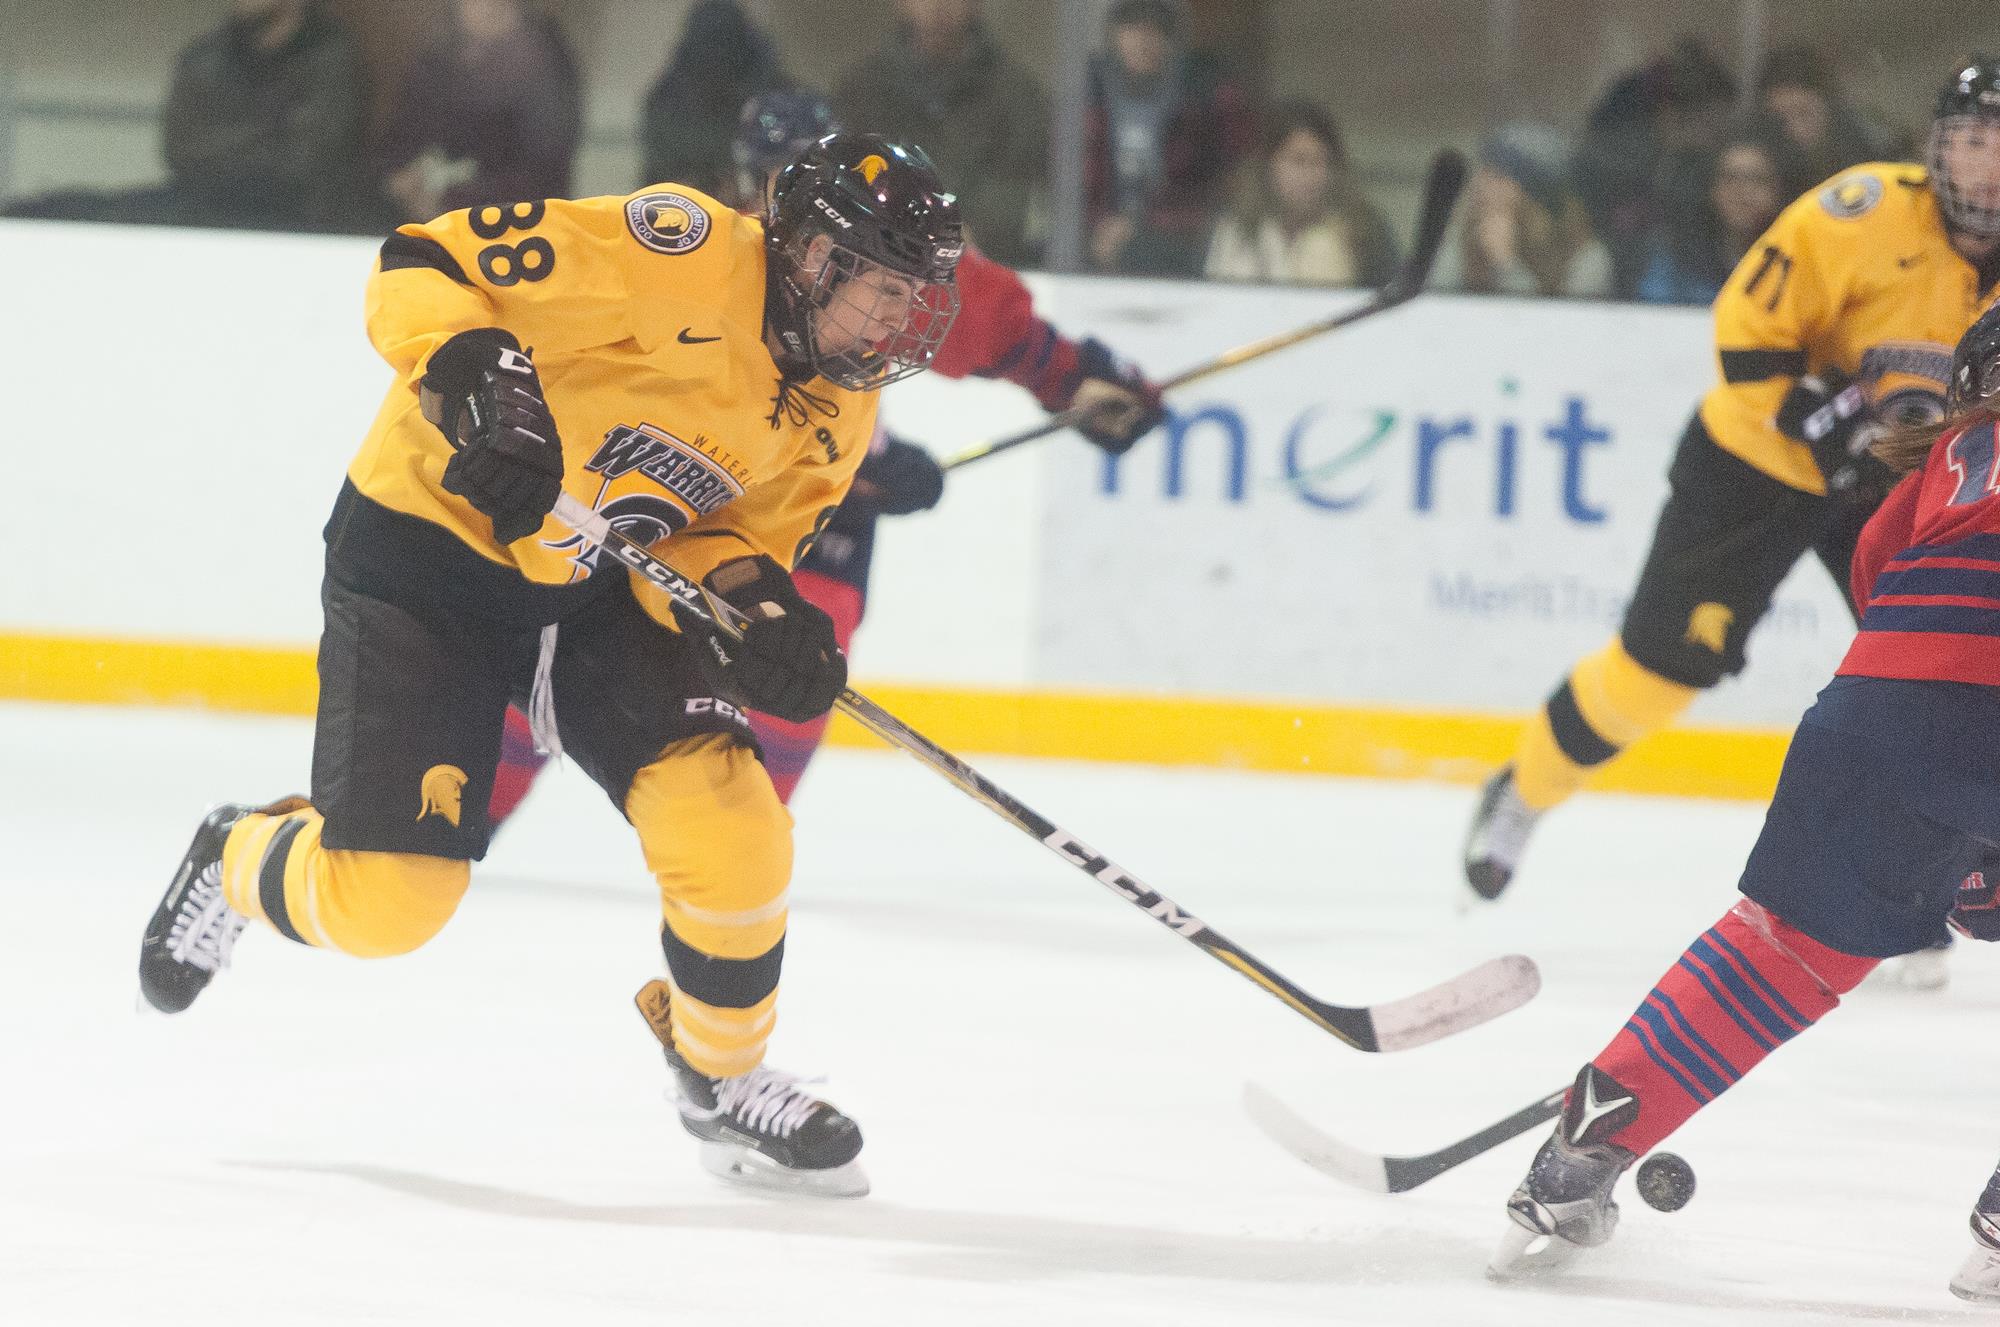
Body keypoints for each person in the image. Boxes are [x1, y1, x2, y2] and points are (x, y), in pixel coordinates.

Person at [135, 132, 965, 1198]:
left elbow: (717, 536)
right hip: (428, 556)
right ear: (810, 256)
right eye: (883, 290)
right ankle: (237, 856)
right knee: (388, 903)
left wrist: (759, 610)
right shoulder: (679, 252)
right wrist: (482, 377)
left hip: (592, 589)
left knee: (734, 823)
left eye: (913, 296)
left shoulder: (837, 406)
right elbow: (419, 263)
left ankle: (718, 1076)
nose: (898, 323)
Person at [1489, 296, 2000, 1292]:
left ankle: (1579, 1153)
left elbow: (1874, 567)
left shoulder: (1950, 457)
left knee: (1780, 950)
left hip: (1873, 708)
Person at [487, 92, 1166, 822]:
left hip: (793, 528)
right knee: (531, 673)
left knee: (766, 740)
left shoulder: (869, 256)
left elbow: (977, 317)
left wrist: (1074, 375)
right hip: (653, 503)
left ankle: (726, 887)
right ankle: (459, 811)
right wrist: (880, 473)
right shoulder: (696, 255)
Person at [1463, 58, 2000, 905]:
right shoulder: (1855, 214)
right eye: (1972, 142)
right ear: (1937, 147)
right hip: (1755, 464)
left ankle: (1930, 888)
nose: (1986, 166)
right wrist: (1817, 420)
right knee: (1660, 669)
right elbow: (1747, 336)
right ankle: (1526, 787)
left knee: (1942, 686)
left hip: (1904, 489)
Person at [3, 0, 368, 232]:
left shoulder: (330, 55)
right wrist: (263, 139)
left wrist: (229, 148)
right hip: (200, 201)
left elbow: (308, 161)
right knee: (77, 212)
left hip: (291, 220)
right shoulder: (209, 54)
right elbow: (182, 148)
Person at [833, 0, 1048, 266]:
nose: (938, 5)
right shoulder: (863, 86)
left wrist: (951, 231)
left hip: (984, 265)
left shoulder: (1015, 92)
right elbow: (850, 174)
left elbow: (1015, 185)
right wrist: (907, 230)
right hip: (881, 260)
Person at [1083, 0, 1253, 278]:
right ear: (1113, 34)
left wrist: (1140, 227)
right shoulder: (1088, 94)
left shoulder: (1203, 98)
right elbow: (1072, 185)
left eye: (1155, 30)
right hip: (1091, 251)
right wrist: (1097, 229)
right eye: (1133, 28)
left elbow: (1225, 185)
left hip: (1176, 253)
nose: (1143, 41)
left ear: (1172, 40)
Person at [374, 0, 581, 222]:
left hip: (507, 230)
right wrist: (399, 175)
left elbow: (542, 174)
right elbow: (403, 133)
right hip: (413, 216)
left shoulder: (542, 65)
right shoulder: (439, 56)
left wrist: (451, 201)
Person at [1573, 38, 1739, 296]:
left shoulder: (1717, 171)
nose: (1710, 134)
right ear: (1668, 116)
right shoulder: (1622, 170)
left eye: (1715, 122)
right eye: (1702, 120)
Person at [1203, 100, 1399, 288]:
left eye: (1320, 162)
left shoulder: (1364, 232)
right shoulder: (1235, 229)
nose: (1310, 175)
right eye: (1298, 161)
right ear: (1269, 164)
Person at [1637, 117, 1809, 306]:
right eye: (1731, 178)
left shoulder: (1802, 260)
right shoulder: (1677, 259)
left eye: (1757, 179)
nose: (1742, 191)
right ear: (1713, 189)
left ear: (1779, 190)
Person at [1433, 122, 1613, 299]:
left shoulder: (1588, 259)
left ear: (1533, 195)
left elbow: (1550, 325)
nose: (1480, 185)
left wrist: (1504, 264)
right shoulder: (1464, 237)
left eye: (1497, 177)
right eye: (1482, 173)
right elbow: (1435, 305)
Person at [638, 0, 790, 198]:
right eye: (708, 43)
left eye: (724, 42)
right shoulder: (672, 95)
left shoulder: (767, 96)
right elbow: (660, 160)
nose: (714, 57)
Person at [1757, 46, 1908, 186]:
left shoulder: (1866, 157)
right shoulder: (1759, 163)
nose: (1794, 129)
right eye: (1780, 119)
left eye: (1804, 114)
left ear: (1828, 109)